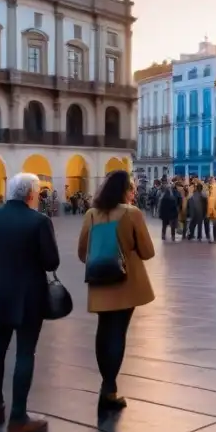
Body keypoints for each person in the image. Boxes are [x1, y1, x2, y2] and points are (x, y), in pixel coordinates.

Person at [0, 172, 60, 432]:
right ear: (31, 194)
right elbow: (51, 262)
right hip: (29, 296)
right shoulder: (39, 221)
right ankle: (18, 418)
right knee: (25, 352)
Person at [77, 170, 155, 413]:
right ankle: (108, 389)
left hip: (100, 281)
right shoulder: (132, 213)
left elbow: (83, 253)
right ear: (124, 191)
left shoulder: (92, 214)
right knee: (118, 333)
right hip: (125, 282)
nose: (134, 192)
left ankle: (107, 387)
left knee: (103, 331)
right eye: (131, 188)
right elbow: (147, 251)